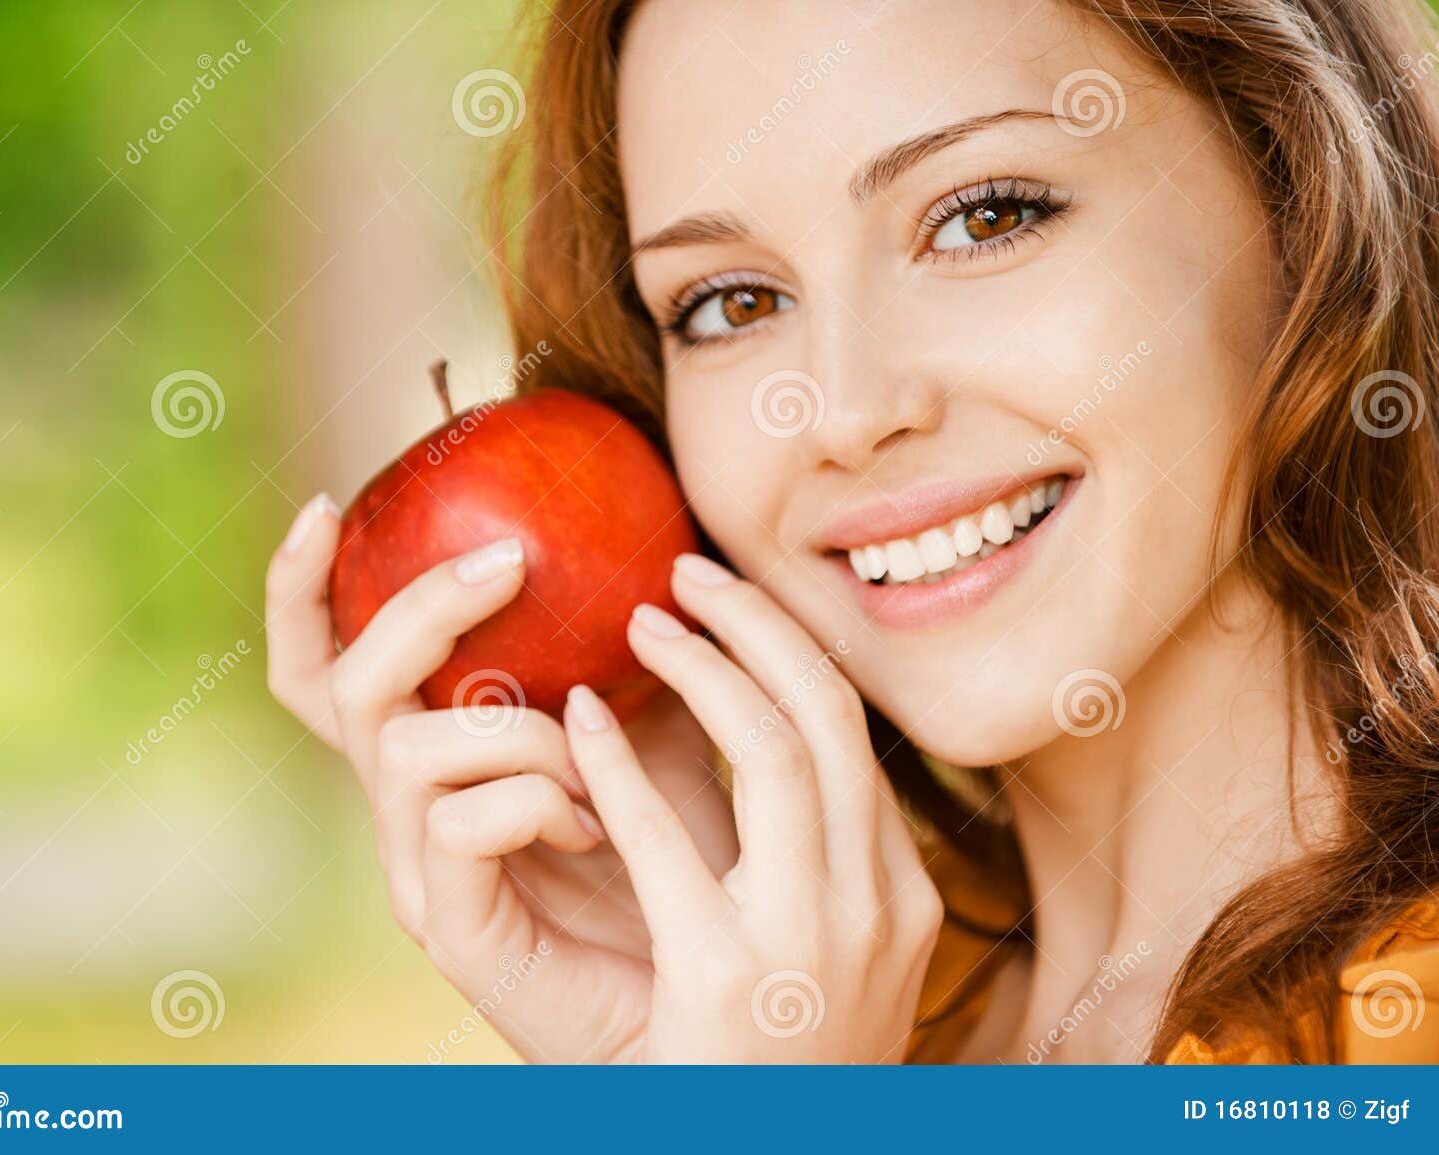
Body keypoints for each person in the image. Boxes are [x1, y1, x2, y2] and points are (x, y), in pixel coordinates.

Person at [267, 0, 1439, 1063]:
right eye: (732, 303)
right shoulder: (844, 1025)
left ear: (1295, 197)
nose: (843, 411)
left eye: (982, 217)